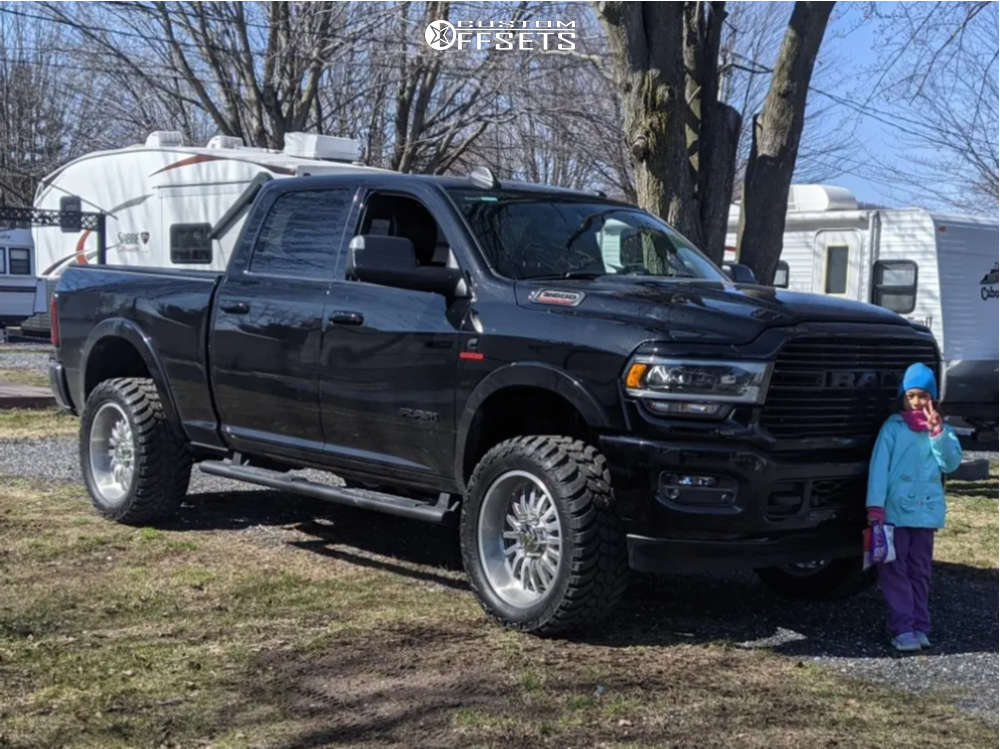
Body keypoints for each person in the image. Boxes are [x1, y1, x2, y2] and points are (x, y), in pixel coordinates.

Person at [866, 362, 963, 651]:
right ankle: (902, 627)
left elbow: (951, 463)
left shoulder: (942, 430)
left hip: (925, 514)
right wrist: (875, 507)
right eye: (911, 396)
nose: (917, 402)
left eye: (923, 395)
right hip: (894, 513)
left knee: (920, 570)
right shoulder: (893, 428)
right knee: (894, 570)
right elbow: (879, 468)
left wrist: (937, 434)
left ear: (933, 398)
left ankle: (921, 625)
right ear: (903, 398)